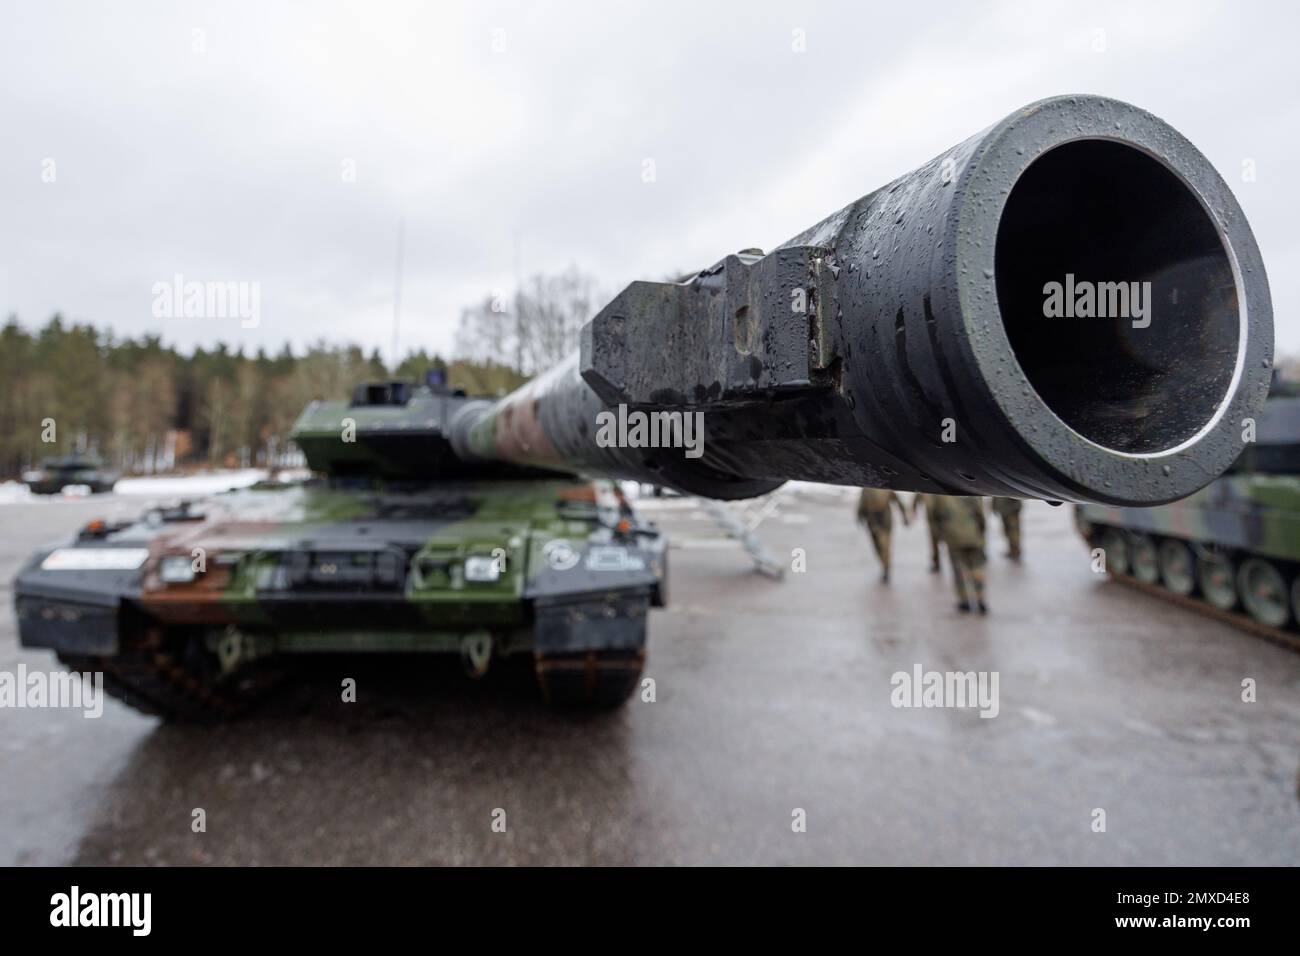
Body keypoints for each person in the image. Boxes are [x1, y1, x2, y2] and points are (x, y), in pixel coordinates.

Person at [932, 495, 988, 614]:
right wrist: (981, 533)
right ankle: (980, 598)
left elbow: (935, 516)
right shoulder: (972, 491)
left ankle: (965, 601)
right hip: (973, 535)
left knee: (959, 570)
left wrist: (940, 534)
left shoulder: (941, 495)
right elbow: (980, 515)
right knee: (976, 568)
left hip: (954, 537)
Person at [856, 488, 909, 583]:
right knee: (876, 546)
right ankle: (883, 565)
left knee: (885, 546)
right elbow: (862, 502)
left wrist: (904, 515)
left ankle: (886, 569)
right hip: (872, 522)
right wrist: (859, 515)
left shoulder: (886, 487)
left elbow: (898, 500)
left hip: (885, 522)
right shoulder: (866, 488)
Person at [911, 493, 943, 573]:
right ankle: (936, 563)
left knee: (951, 543)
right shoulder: (926, 487)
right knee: (934, 542)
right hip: (932, 522)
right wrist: (914, 511)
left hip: (944, 521)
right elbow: (916, 498)